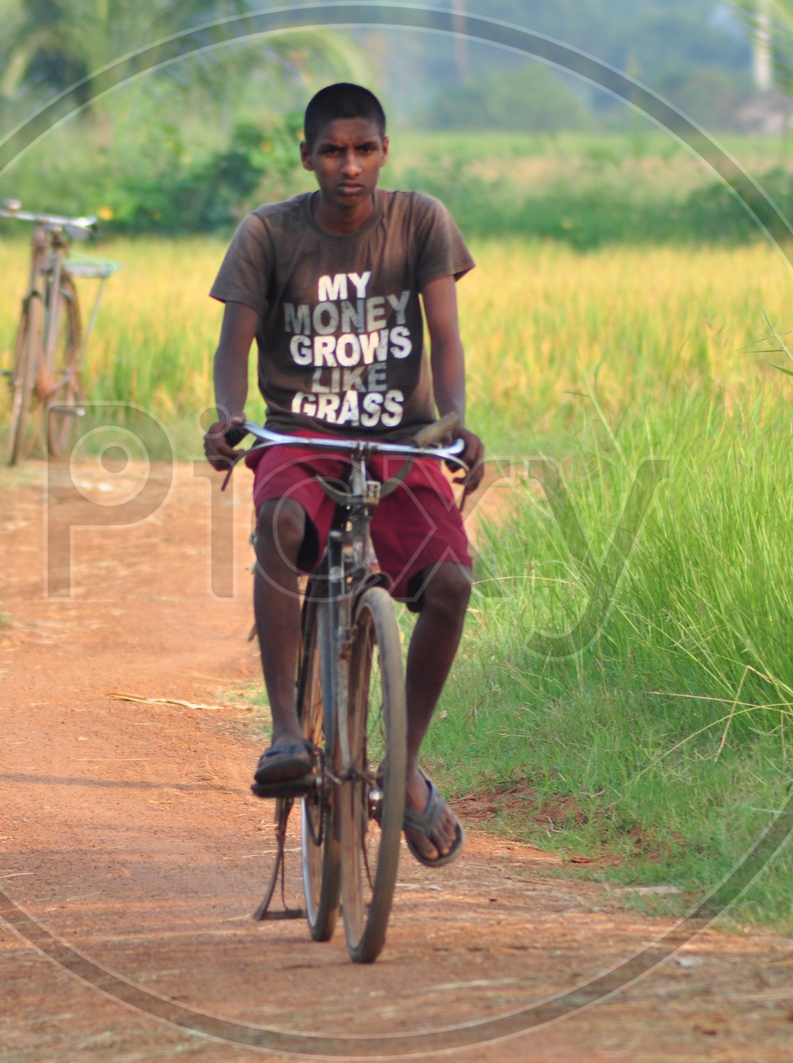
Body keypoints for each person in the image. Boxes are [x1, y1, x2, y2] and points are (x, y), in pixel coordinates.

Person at [203, 83, 484, 867]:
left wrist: (452, 417)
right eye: (332, 150)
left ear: (384, 153)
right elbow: (234, 349)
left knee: (454, 584)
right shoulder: (268, 233)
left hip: (401, 437)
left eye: (363, 150)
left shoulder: (420, 221)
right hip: (299, 434)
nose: (349, 166)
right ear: (307, 156)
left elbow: (445, 336)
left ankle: (401, 769)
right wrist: (230, 416)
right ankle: (287, 731)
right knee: (279, 528)